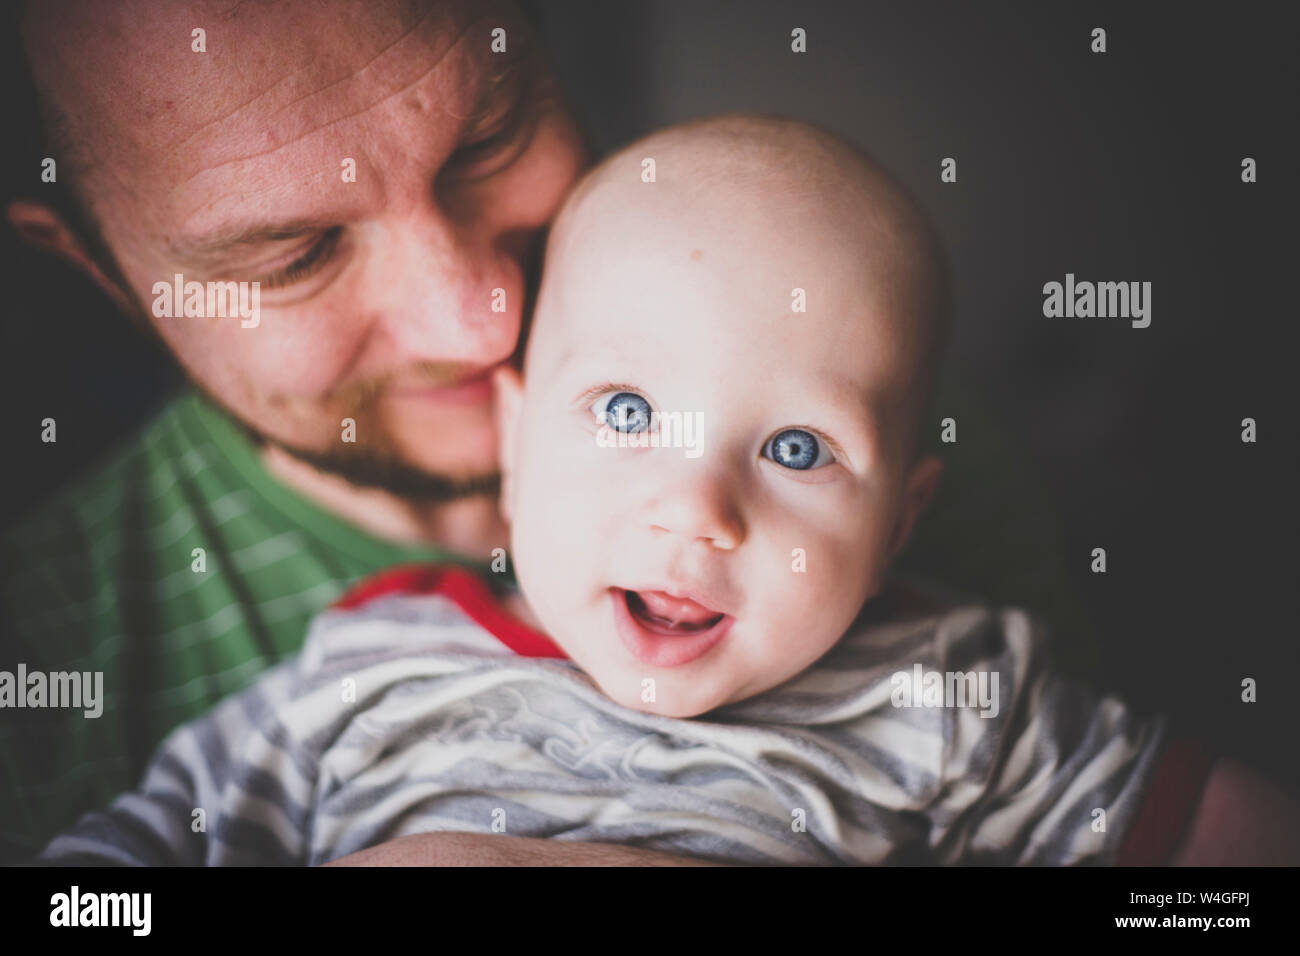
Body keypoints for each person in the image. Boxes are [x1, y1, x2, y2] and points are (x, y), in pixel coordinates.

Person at [40, 116, 1300, 865]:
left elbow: (1211, 833)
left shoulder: (950, 691)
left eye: (798, 448)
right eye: (629, 413)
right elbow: (130, 857)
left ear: (900, 518)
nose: (700, 509)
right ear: (519, 437)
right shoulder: (363, 662)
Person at [1, 0, 704, 866]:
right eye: (296, 257)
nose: (478, 322)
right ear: (102, 271)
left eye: (491, 137)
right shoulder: (32, 695)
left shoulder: (858, 417)